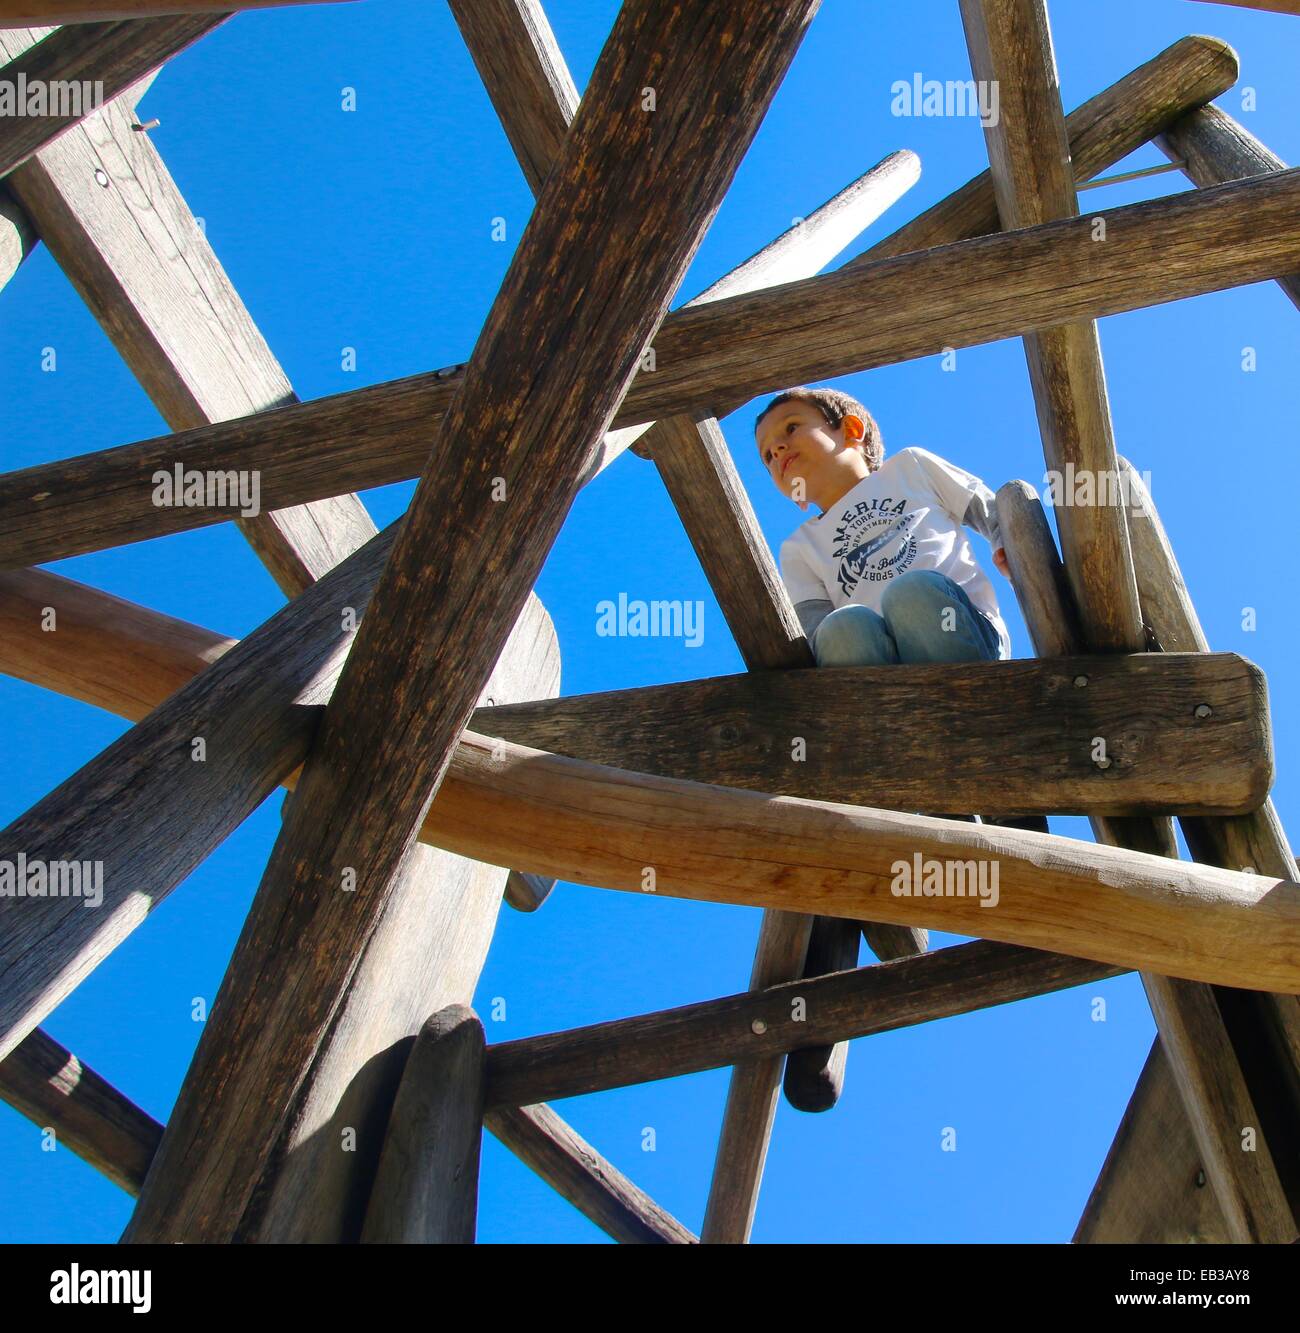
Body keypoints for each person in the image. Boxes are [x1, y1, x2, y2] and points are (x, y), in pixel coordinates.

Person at [755, 384, 1047, 833]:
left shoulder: (909, 469)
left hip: (958, 643)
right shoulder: (799, 548)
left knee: (909, 593)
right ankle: (927, 795)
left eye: (791, 429)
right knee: (843, 628)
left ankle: (994, 780)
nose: (778, 451)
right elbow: (815, 632)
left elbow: (985, 506)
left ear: (851, 430)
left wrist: (1006, 539)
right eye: (768, 456)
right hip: (890, 688)